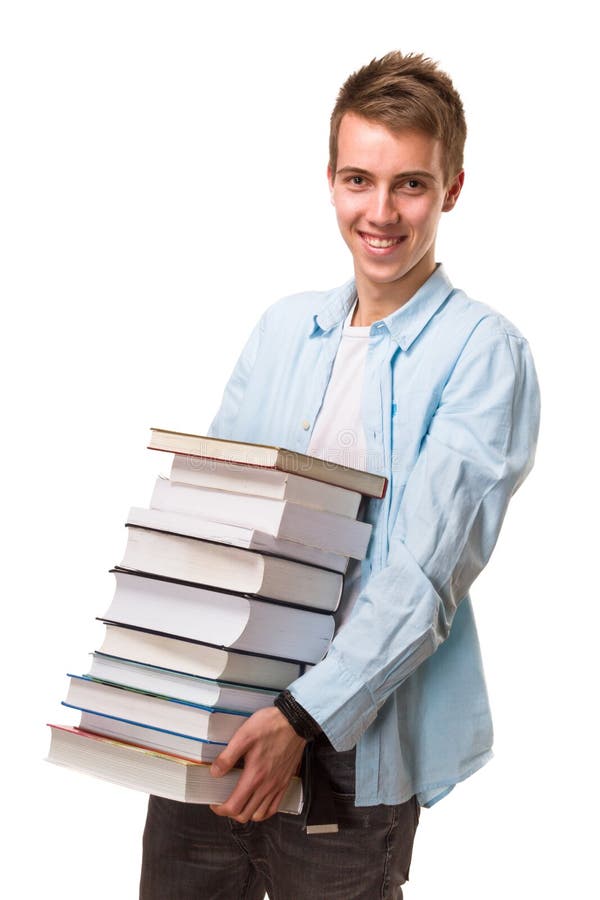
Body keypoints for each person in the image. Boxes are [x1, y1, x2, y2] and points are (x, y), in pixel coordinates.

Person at [139, 51, 540, 899]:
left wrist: (300, 717)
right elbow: (214, 524)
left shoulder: (483, 353)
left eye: (411, 185)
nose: (381, 212)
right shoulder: (283, 329)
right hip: (215, 726)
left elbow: (424, 578)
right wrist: (148, 681)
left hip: (349, 753)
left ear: (452, 189)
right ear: (330, 182)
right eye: (360, 180)